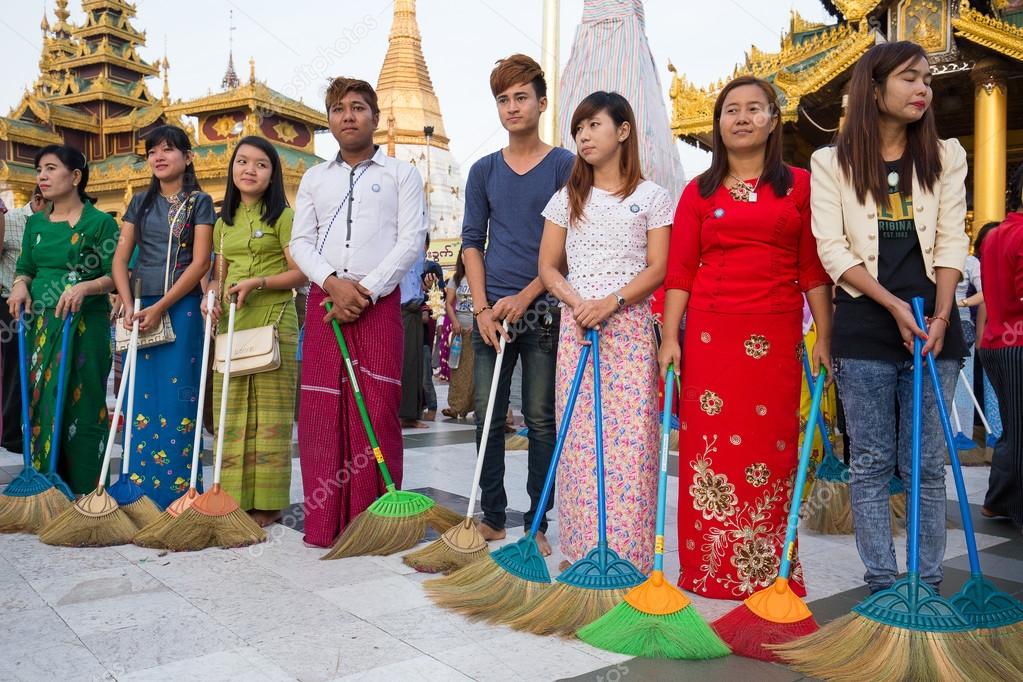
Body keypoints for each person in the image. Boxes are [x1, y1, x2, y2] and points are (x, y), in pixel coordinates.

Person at [659, 75, 832, 599]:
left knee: (771, 449)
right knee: (708, 451)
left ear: (774, 121)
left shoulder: (800, 186)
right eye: (730, 110)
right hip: (711, 338)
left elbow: (813, 268)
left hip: (776, 335)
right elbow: (681, 270)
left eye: (754, 109)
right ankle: (708, 569)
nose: (741, 118)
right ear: (717, 124)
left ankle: (767, 570)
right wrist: (671, 337)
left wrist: (825, 334)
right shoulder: (698, 191)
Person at [811, 41, 969, 593]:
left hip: (934, 326)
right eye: (908, 78)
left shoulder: (946, 155)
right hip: (866, 324)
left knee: (926, 462)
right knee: (873, 460)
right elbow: (832, 249)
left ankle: (924, 582)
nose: (922, 88)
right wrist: (894, 305)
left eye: (926, 79)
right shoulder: (830, 163)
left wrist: (943, 315)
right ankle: (882, 579)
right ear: (874, 89)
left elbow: (952, 239)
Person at [289, 77, 427, 548]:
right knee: (322, 410)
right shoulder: (315, 177)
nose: (348, 116)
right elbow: (300, 242)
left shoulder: (400, 174)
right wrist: (332, 283)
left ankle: (377, 524)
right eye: (339, 109)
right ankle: (326, 523)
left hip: (379, 303)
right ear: (329, 120)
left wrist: (362, 291)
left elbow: (411, 241)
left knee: (377, 406)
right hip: (325, 301)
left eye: (358, 107)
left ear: (375, 117)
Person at [538, 91, 671, 573]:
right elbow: (548, 267)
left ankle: (628, 558)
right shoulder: (565, 199)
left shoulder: (651, 197)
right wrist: (579, 304)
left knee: (632, 443)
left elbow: (659, 268)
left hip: (630, 332)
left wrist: (611, 303)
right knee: (577, 439)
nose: (584, 136)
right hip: (578, 331)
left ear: (623, 130)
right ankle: (581, 553)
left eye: (593, 125)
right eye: (578, 129)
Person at [461, 54, 574, 553]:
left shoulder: (566, 166)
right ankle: (490, 515)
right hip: (491, 315)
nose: (512, 107)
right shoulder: (483, 170)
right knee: (486, 414)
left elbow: (572, 242)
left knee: (540, 416)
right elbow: (471, 241)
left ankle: (537, 522)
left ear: (541, 102)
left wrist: (526, 296)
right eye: (503, 100)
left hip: (544, 308)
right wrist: (484, 309)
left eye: (521, 97)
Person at [203, 136, 306, 527]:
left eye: (260, 164)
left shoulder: (283, 217)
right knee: (230, 412)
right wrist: (210, 296)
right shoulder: (222, 223)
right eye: (242, 162)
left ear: (272, 174)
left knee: (270, 416)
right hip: (231, 321)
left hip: (275, 318)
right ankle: (229, 494)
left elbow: (301, 272)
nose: (250, 170)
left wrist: (259, 282)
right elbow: (219, 274)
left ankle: (267, 502)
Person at [112, 125, 216, 508]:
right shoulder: (139, 201)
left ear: (187, 157)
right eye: (152, 151)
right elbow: (120, 258)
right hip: (140, 309)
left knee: (178, 400)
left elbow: (201, 261)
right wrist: (128, 301)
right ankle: (137, 495)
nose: (158, 157)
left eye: (168, 150)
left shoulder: (199, 202)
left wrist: (161, 307)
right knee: (140, 401)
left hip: (182, 308)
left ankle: (179, 495)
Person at [7, 146, 118, 493]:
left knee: (83, 403)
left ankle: (86, 490)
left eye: (51, 168)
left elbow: (115, 276)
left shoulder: (101, 223)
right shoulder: (34, 224)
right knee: (39, 402)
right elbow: (25, 268)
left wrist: (86, 286)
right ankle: (43, 489)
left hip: (85, 325)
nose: (41, 176)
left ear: (75, 177)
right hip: (41, 325)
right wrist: (19, 286)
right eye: (39, 169)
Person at [978, 164, 1023, 530]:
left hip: (996, 339)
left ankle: (997, 501)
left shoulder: (996, 234)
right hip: (1018, 340)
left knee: (1013, 427)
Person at [1, 188, 46, 452]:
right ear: (37, 199)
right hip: (9, 303)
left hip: (42, 303)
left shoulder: (51, 222)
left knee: (37, 367)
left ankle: (34, 428)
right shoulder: (12, 219)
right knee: (16, 369)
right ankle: (11, 435)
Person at [442, 247, 475, 419]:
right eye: (463, 253)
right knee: (458, 370)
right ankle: (456, 407)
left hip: (477, 331)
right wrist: (455, 322)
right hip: (459, 333)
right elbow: (448, 303)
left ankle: (476, 408)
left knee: (475, 372)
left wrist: (478, 323)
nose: (466, 257)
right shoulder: (455, 279)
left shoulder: (481, 278)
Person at [398, 240, 428, 429]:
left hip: (415, 309)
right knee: (405, 362)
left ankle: (411, 414)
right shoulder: (399, 245)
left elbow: (417, 283)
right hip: (401, 308)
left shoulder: (420, 251)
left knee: (415, 364)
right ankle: (403, 414)